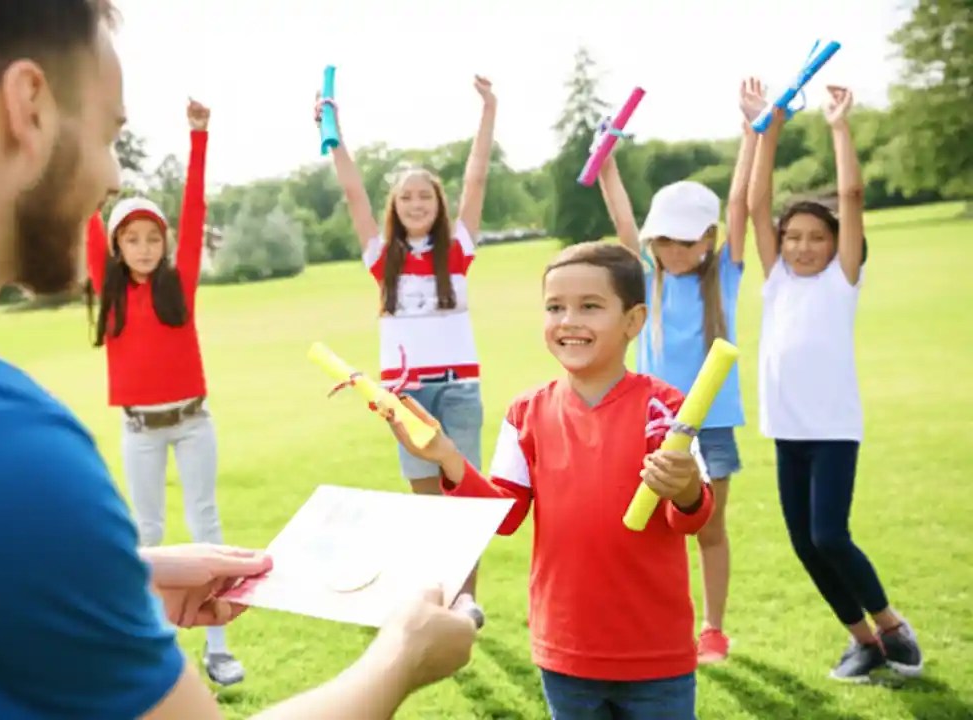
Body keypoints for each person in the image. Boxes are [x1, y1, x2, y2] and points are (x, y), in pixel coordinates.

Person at [0, 2, 479, 717]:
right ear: (27, 108)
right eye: (108, 132)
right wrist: (400, 655)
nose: (109, 175)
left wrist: (121, 570)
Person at [385, 241, 715, 719]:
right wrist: (445, 455)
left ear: (633, 321)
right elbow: (504, 516)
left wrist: (684, 487)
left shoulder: (664, 408)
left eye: (590, 307)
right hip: (566, 650)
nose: (569, 321)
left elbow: (691, 517)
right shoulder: (526, 414)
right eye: (555, 307)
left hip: (654, 652)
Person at [747, 86, 923, 683]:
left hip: (832, 428)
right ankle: (862, 641)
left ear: (837, 245)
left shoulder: (841, 280)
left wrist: (838, 127)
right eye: (792, 236)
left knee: (829, 534)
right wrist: (766, 130)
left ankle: (893, 626)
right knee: (804, 544)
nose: (801, 246)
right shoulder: (776, 280)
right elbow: (755, 201)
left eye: (815, 238)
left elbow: (850, 195)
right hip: (785, 428)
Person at [592, 77, 768, 664]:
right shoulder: (647, 279)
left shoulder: (728, 275)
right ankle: (646, 623)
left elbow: (742, 202)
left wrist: (751, 132)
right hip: (655, 426)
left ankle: (713, 630)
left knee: (708, 530)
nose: (670, 251)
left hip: (711, 427)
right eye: (661, 241)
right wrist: (609, 163)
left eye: (682, 242)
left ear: (709, 240)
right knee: (643, 528)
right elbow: (621, 225)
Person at [317, 75, 497, 611]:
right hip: (408, 396)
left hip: (459, 389)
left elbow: (478, 176)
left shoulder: (460, 247)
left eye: (426, 195)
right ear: (396, 206)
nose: (417, 202)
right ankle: (439, 598)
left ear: (440, 205)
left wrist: (489, 110)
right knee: (426, 505)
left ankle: (466, 601)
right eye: (406, 196)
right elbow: (352, 190)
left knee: (462, 502)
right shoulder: (381, 257)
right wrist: (335, 129)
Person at [84, 99, 243, 686]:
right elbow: (88, 216)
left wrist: (198, 137)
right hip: (140, 432)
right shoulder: (112, 291)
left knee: (207, 528)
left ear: (165, 243)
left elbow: (196, 211)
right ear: (118, 248)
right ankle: (152, 651)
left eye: (154, 237)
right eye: (134, 239)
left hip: (192, 422)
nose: (145, 247)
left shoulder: (181, 284)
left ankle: (220, 648)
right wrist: (89, 145)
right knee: (146, 535)